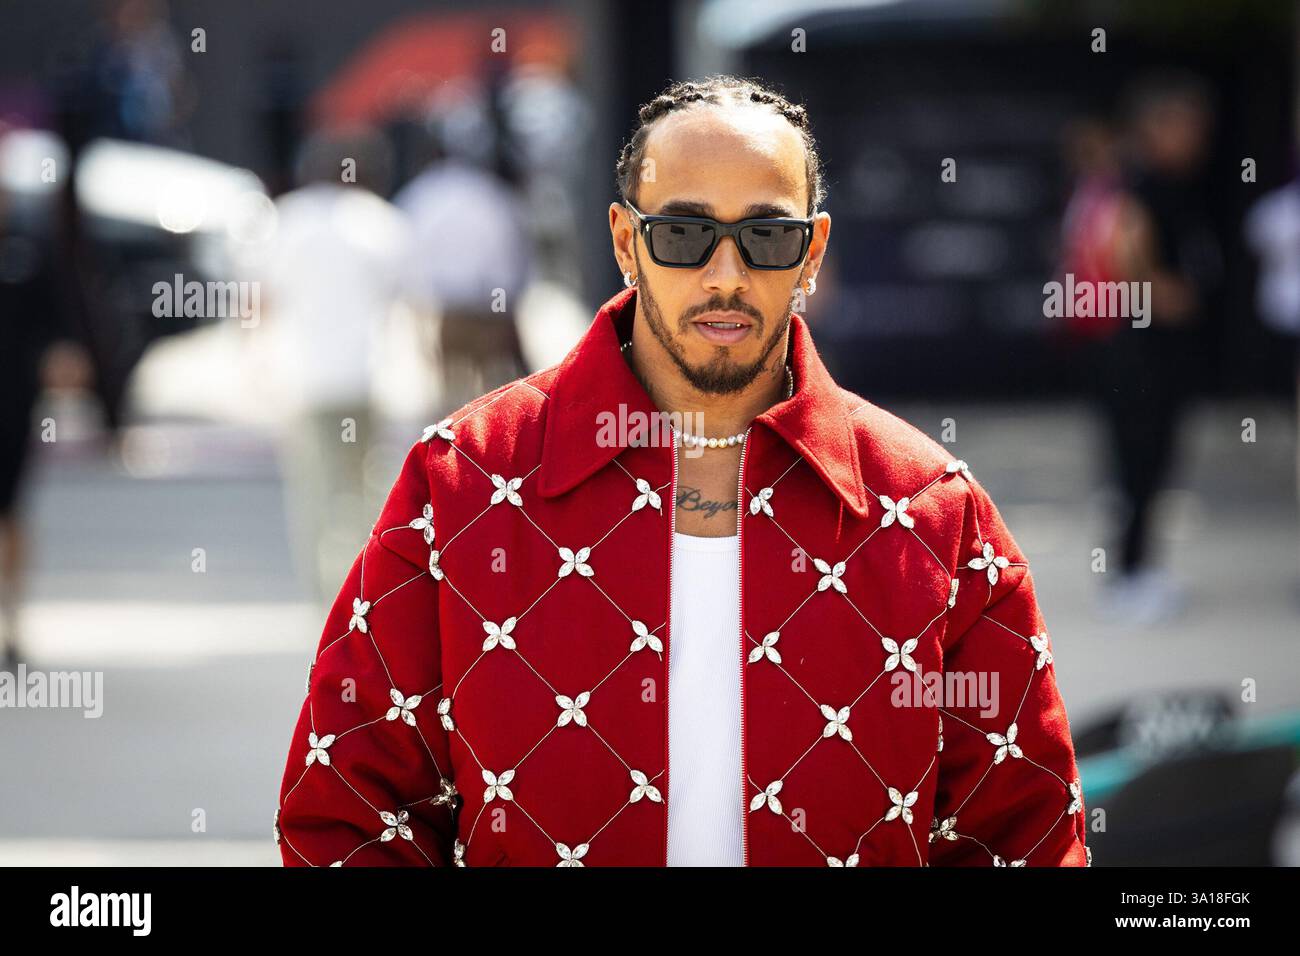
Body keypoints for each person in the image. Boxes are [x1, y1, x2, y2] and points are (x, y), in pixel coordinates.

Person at [274, 76, 1089, 867]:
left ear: (813, 251)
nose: (725, 275)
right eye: (683, 233)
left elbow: (1024, 830)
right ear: (627, 240)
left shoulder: (935, 517)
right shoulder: (461, 487)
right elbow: (348, 807)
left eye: (767, 236)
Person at [255, 128, 415, 605]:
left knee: (314, 500)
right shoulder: (380, 224)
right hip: (365, 380)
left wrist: (257, 365)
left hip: (306, 383)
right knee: (364, 494)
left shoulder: (286, 222)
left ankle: (326, 603)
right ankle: (367, 595)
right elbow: (402, 303)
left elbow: (261, 301)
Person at [1094, 74, 1222, 624]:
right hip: (1142, 355)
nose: (1197, 138)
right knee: (1138, 461)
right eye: (1187, 126)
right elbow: (1123, 248)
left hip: (1172, 356)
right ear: (1158, 127)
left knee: (1161, 459)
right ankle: (1127, 577)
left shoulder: (1185, 185)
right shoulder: (1139, 184)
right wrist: (1158, 292)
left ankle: (1143, 569)